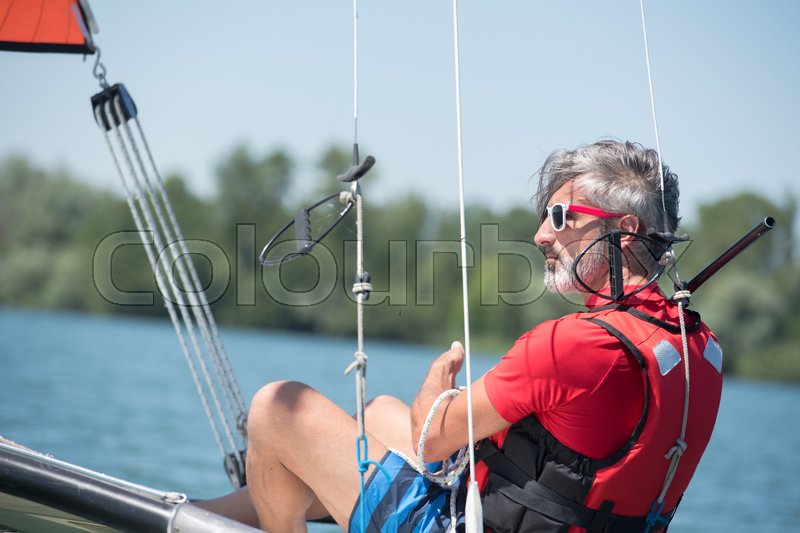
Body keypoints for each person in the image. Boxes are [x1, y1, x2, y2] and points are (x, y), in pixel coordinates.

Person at [200, 140, 723, 532]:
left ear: (626, 230)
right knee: (380, 411)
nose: (542, 234)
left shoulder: (575, 345)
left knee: (278, 409)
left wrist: (437, 384)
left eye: (560, 216)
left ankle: (211, 515)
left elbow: (431, 438)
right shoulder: (698, 348)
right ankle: (201, 515)